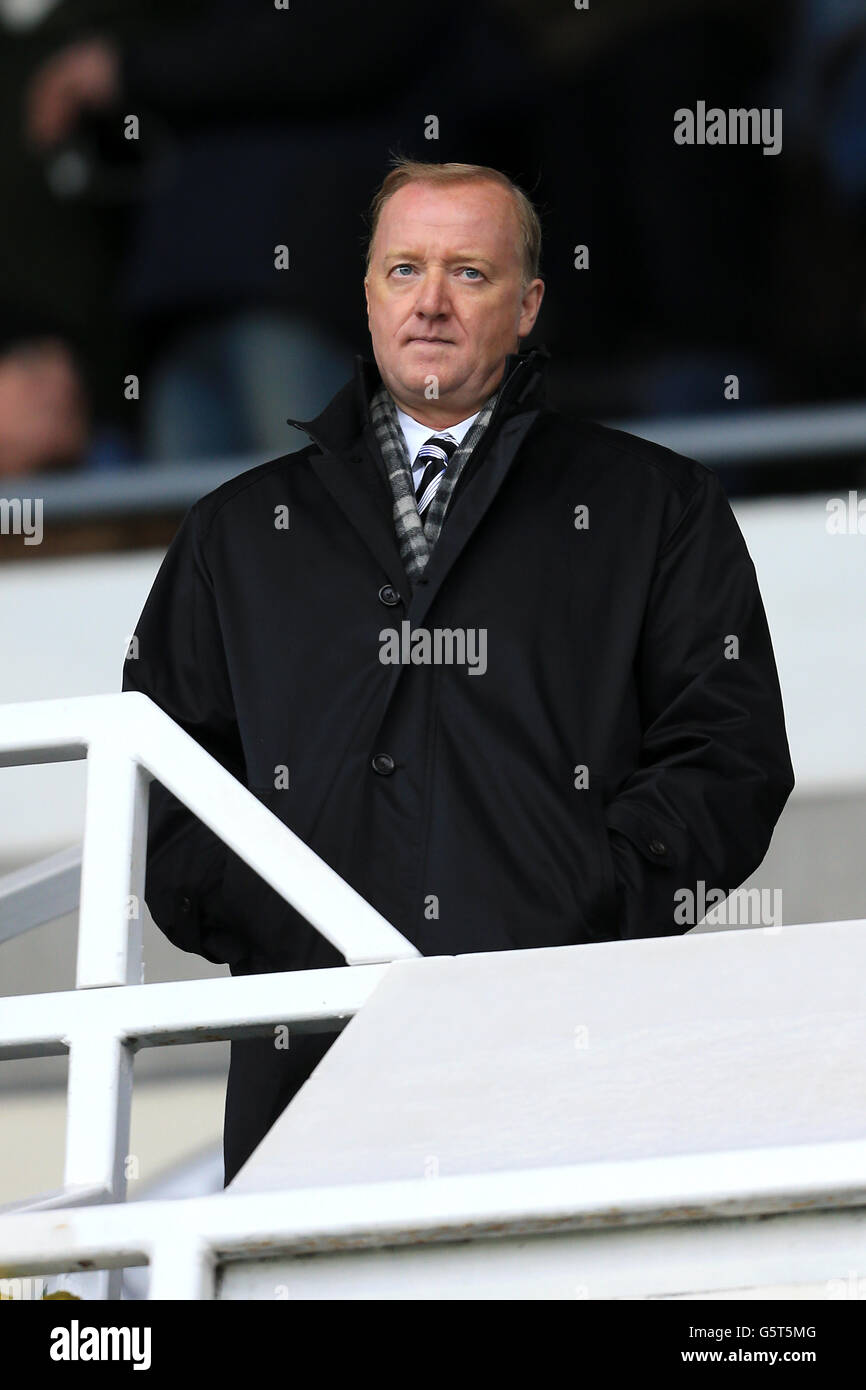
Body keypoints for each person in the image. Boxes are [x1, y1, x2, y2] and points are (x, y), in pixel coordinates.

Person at [122, 160, 795, 1186]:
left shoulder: (655, 507)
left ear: (526, 305)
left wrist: (585, 898)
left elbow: (731, 757)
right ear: (366, 295)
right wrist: (298, 934)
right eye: (403, 268)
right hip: (309, 1077)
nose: (430, 301)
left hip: (573, 1057)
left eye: (468, 273)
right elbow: (167, 795)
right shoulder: (235, 533)